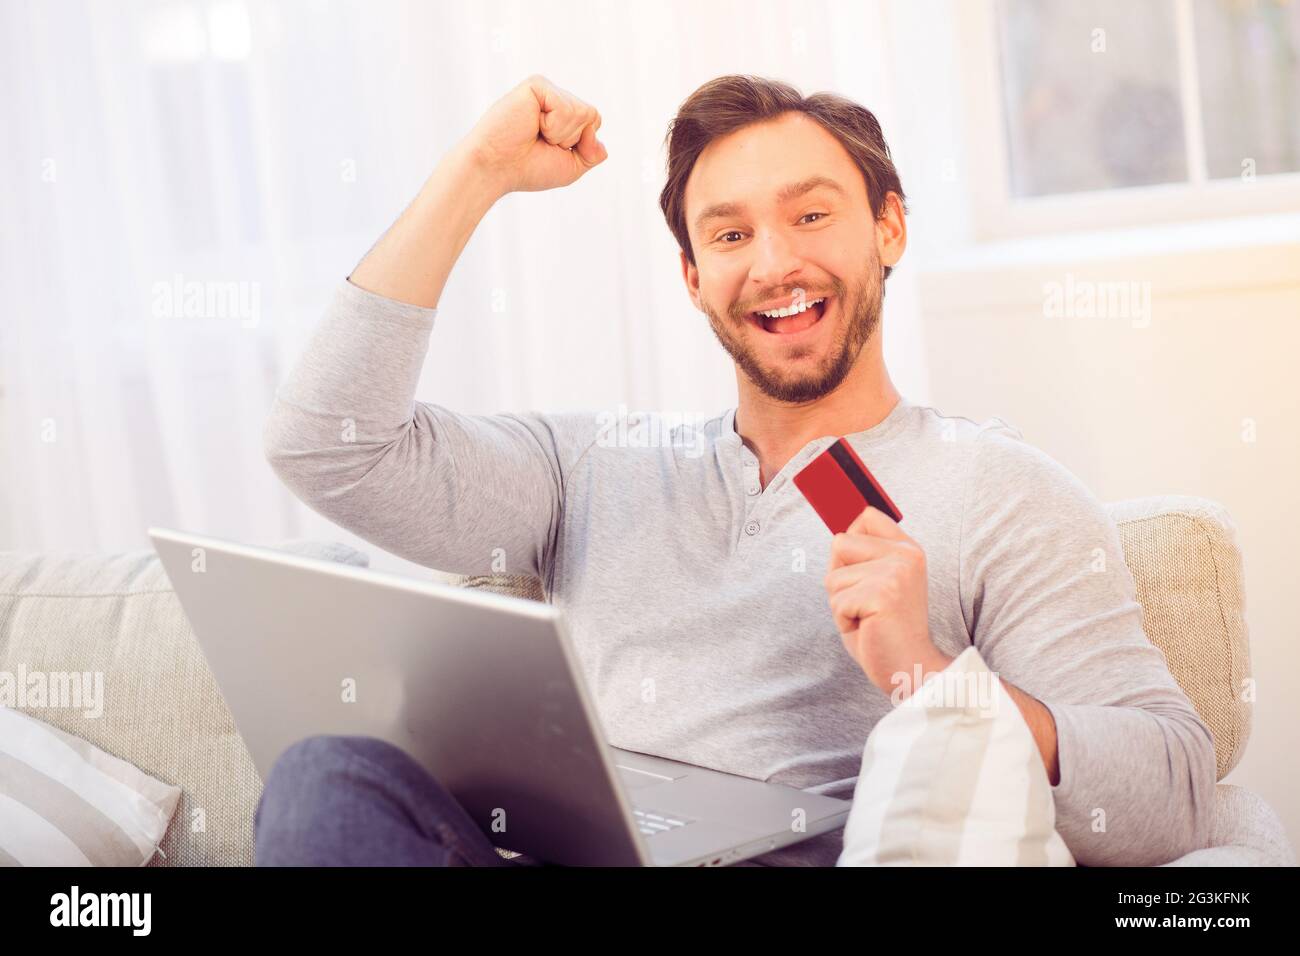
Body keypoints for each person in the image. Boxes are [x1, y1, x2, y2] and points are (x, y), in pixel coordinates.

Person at [256, 74, 1215, 867]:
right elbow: (329, 444)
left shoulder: (1002, 491)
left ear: (888, 231)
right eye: (729, 235)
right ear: (692, 279)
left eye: (810, 215)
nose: (775, 263)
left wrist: (929, 675)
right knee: (326, 776)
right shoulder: (589, 465)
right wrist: (475, 174)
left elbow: (1171, 795)